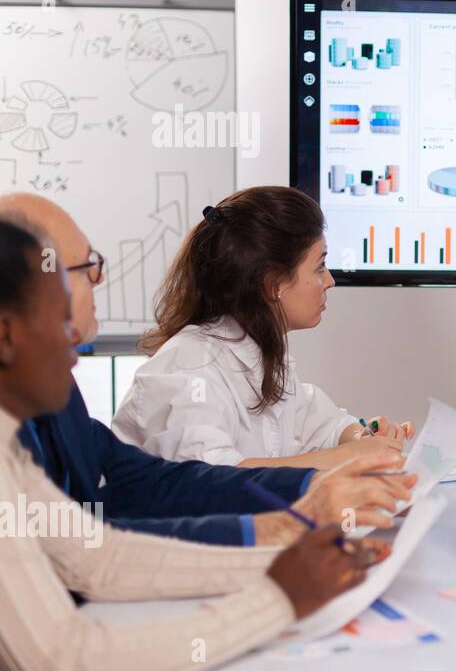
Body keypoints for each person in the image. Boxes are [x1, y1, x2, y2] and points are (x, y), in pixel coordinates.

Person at [0, 217, 386, 671]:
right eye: (61, 322)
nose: (77, 349)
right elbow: (68, 665)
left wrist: (290, 556)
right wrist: (278, 597)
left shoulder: (12, 444)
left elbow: (97, 557)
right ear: (6, 335)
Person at [0, 194, 414, 546]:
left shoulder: (59, 396)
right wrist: (331, 472)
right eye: (320, 266)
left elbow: (307, 417)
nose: (100, 279)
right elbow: (202, 484)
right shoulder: (189, 366)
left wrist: (354, 438)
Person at [113, 186, 414, 467]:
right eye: (320, 266)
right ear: (273, 285)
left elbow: (317, 424)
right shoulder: (190, 369)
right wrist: (346, 456)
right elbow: (214, 482)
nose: (329, 281)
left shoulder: (256, 351)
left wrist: (360, 437)